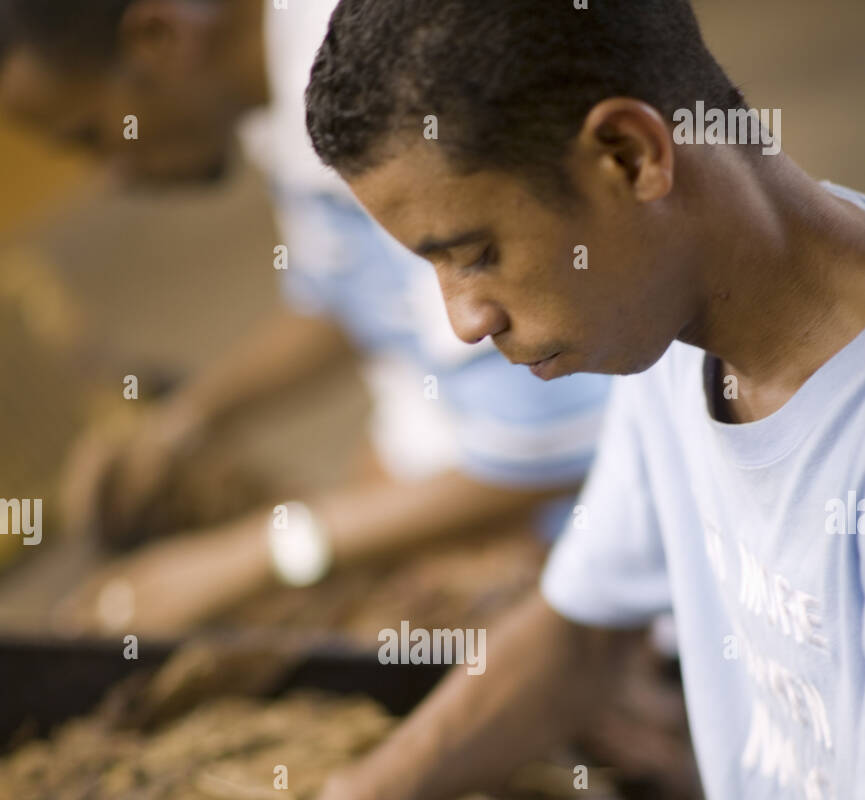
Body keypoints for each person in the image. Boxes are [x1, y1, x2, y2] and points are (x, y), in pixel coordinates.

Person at [144, 0, 865, 800]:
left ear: (629, 155)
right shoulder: (676, 338)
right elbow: (582, 624)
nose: (466, 318)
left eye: (474, 252)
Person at [0, 0, 608, 636]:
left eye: (92, 135)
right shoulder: (278, 88)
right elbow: (352, 296)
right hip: (459, 482)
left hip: (574, 529)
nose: (115, 173)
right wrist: (186, 422)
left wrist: (257, 557)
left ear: (158, 38)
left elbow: (548, 445)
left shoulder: (390, 95)